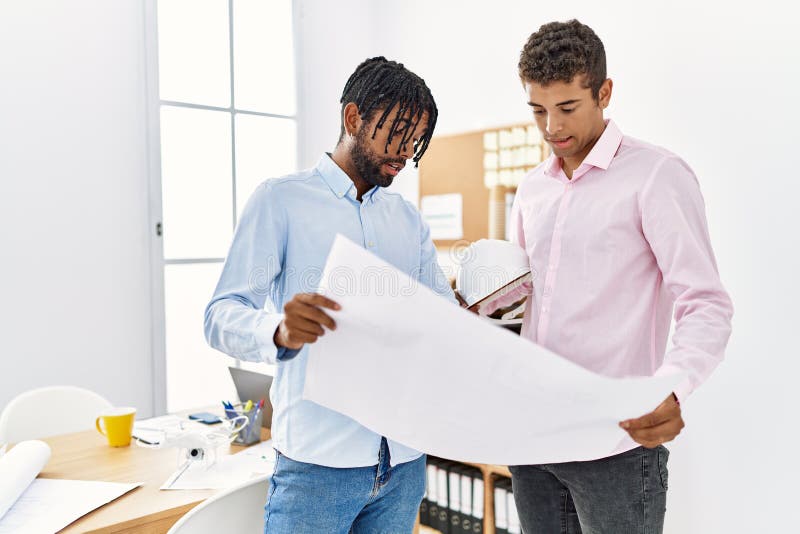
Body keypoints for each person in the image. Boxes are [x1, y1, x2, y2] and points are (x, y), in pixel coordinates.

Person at [499, 20, 734, 533]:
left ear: (604, 93)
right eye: (538, 110)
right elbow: (519, 301)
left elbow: (706, 302)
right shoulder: (532, 189)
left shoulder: (656, 175)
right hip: (533, 436)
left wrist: (672, 389)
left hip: (616, 446)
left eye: (566, 109)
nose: (551, 128)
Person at [204, 56, 455, 533]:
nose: (405, 152)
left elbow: (440, 315)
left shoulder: (407, 219)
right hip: (317, 466)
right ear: (354, 118)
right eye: (397, 133)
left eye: (416, 140)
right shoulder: (280, 201)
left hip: (403, 463)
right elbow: (220, 315)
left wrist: (477, 312)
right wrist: (278, 329)